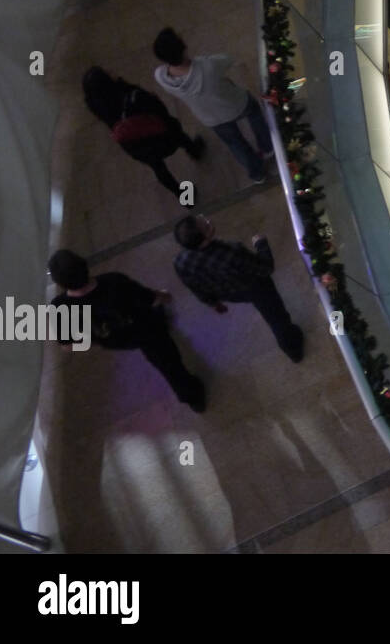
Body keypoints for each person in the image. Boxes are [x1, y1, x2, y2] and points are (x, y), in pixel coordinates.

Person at [48, 248, 206, 412]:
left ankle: (193, 397)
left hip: (116, 339)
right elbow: (150, 298)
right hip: (147, 329)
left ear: (60, 282)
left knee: (164, 361)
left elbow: (67, 346)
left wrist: (97, 338)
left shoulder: (59, 307)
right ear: (84, 265)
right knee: (169, 363)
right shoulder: (114, 282)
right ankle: (192, 395)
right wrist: (165, 296)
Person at [172, 215, 305, 362]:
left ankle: (292, 348)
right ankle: (293, 348)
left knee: (273, 316)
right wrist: (261, 244)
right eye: (206, 225)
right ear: (204, 240)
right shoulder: (231, 251)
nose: (209, 221)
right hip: (256, 287)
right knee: (276, 318)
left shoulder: (180, 262)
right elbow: (266, 268)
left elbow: (195, 287)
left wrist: (213, 303)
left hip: (229, 293)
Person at [152, 28, 274, 184]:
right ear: (182, 46)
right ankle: (268, 147)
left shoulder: (161, 76)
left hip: (210, 118)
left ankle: (257, 173)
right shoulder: (206, 66)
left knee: (235, 143)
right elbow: (228, 59)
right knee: (254, 111)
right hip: (236, 104)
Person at [82, 66, 205, 197]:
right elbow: (159, 109)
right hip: (159, 134)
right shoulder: (130, 95)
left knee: (158, 168)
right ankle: (194, 151)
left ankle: (184, 196)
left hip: (135, 144)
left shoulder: (94, 104)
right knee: (180, 137)